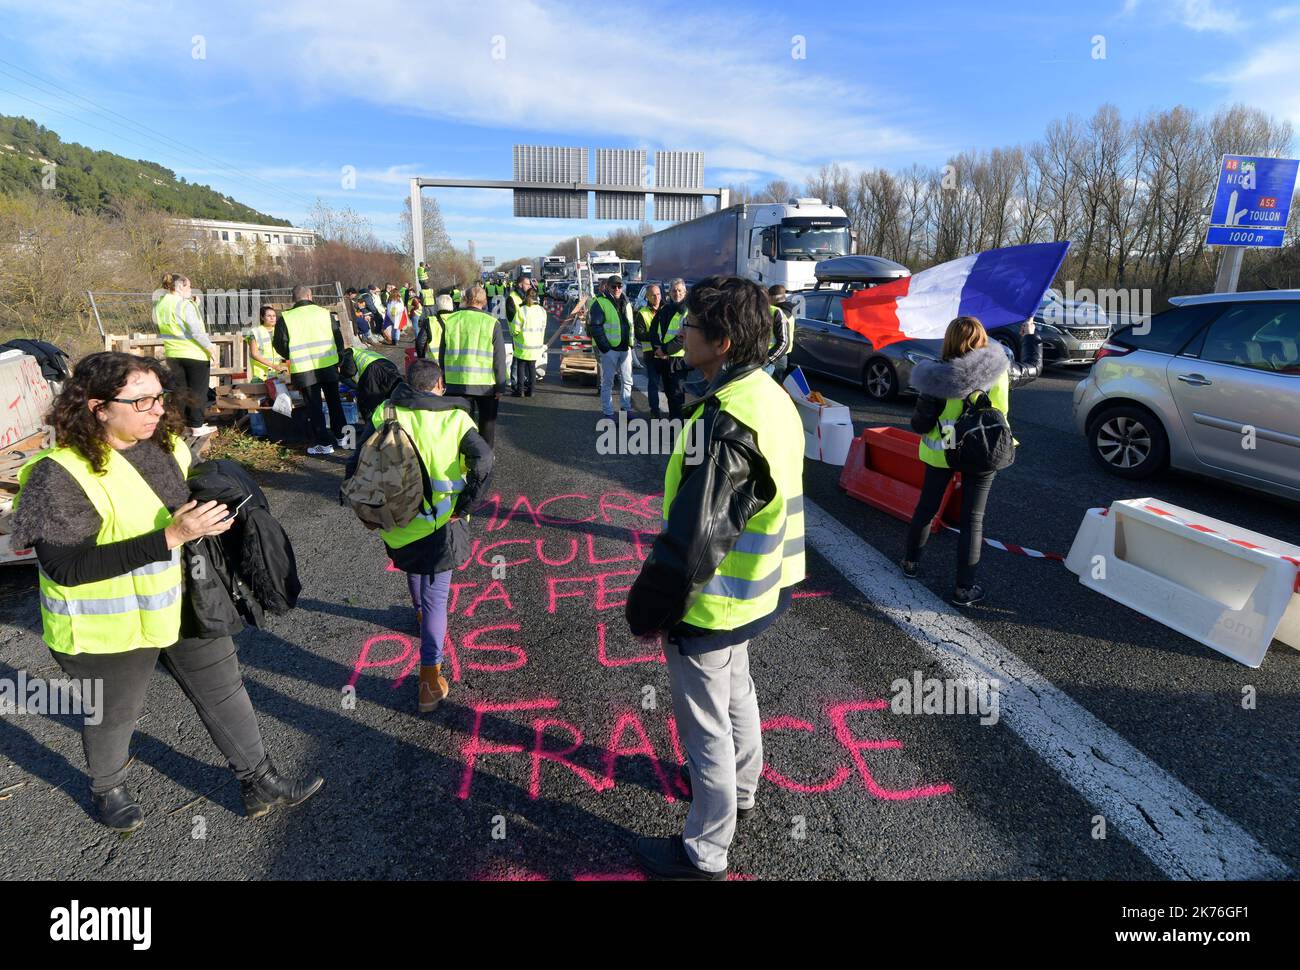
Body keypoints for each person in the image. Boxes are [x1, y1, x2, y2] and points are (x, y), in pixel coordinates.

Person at [11, 352, 324, 832]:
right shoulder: (60, 474)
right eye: (141, 401)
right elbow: (65, 567)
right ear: (97, 407)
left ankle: (259, 780)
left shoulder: (166, 446)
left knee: (225, 692)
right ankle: (107, 787)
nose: (157, 410)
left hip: (182, 601)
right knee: (115, 715)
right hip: (105, 626)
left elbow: (180, 504)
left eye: (159, 397)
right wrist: (171, 537)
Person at [624, 276, 805, 881]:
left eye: (691, 327)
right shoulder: (767, 394)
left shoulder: (725, 423)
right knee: (737, 695)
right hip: (757, 590)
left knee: (704, 727)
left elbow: (694, 542)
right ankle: (744, 788)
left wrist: (650, 608)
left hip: (712, 602)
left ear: (722, 342)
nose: (680, 333)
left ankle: (705, 851)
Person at [347, 359, 493, 711]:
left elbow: (357, 463)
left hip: (397, 522)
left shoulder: (387, 412)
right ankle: (429, 680)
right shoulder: (457, 418)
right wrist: (467, 502)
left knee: (413, 571)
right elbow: (484, 460)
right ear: (440, 385)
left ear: (409, 384)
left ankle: (417, 611)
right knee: (437, 599)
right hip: (442, 523)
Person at [903, 316, 1042, 606]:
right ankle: (965, 589)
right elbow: (1033, 368)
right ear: (982, 339)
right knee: (972, 520)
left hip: (942, 451)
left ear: (948, 340)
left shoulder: (935, 378)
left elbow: (920, 424)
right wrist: (1030, 335)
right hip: (983, 451)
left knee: (927, 509)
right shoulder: (1000, 370)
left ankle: (910, 564)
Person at [274, 284, 348, 456]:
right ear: (310, 295)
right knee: (335, 402)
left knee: (314, 406)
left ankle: (322, 443)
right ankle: (343, 437)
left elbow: (279, 344)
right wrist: (339, 358)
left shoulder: (286, 318)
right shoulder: (324, 313)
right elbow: (338, 338)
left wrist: (292, 354)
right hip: (328, 364)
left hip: (304, 367)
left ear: (294, 298)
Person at [438, 284, 508, 446]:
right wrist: (500, 386)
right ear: (483, 302)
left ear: (465, 299)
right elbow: (499, 358)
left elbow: (443, 354)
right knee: (487, 426)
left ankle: (462, 462)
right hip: (486, 386)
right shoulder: (491, 322)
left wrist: (442, 378)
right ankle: (485, 460)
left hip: (456, 383)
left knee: (461, 427)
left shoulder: (450, 321)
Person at [152, 272, 216, 437]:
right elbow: (195, 330)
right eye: (188, 286)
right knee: (198, 392)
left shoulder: (160, 304)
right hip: (194, 353)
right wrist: (209, 347)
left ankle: (181, 425)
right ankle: (196, 425)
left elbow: (175, 321)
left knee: (181, 391)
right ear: (180, 287)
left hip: (173, 352)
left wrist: (191, 303)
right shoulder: (185, 305)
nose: (191, 289)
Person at [589, 274, 634, 422]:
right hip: (610, 350)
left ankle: (626, 409)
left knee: (627, 381)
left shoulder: (626, 301)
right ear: (608, 287)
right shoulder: (600, 303)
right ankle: (608, 413)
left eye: (619, 286)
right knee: (607, 383)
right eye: (614, 286)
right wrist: (605, 348)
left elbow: (630, 324)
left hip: (625, 348)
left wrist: (631, 344)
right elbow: (595, 327)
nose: (617, 289)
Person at [651, 277, 690, 420]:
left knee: (677, 395)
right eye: (674, 290)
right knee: (668, 393)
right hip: (663, 358)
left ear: (685, 292)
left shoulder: (687, 311)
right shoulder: (665, 309)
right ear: (669, 292)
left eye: (680, 290)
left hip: (679, 360)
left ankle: (677, 428)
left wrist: (665, 350)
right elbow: (653, 330)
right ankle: (674, 421)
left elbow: (683, 337)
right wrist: (657, 348)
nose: (677, 293)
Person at [342, 342, 402, 424]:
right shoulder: (360, 352)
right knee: (393, 396)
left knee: (367, 402)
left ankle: (371, 426)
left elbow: (350, 371)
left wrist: (341, 375)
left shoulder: (347, 353)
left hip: (373, 371)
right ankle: (395, 422)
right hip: (389, 366)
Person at [508, 280, 546, 397]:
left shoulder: (522, 310)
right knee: (532, 367)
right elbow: (543, 327)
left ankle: (520, 391)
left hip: (522, 344)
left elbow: (515, 328)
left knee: (521, 366)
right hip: (536, 344)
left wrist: (514, 335)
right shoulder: (542, 311)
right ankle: (532, 391)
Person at [635, 283, 664, 418]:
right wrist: (655, 337)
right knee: (653, 383)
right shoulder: (642, 313)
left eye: (658, 294)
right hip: (650, 353)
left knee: (670, 386)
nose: (656, 297)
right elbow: (639, 335)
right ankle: (655, 411)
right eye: (653, 295)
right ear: (647, 297)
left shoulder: (667, 310)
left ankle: (675, 412)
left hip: (667, 353)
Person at [245, 305, 286, 382]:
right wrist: (274, 366)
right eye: (269, 316)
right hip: (261, 375)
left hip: (278, 373)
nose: (272, 318)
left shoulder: (279, 331)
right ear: (262, 317)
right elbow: (255, 354)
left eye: (274, 316)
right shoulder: (254, 332)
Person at [765, 285, 795, 380]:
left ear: (773, 298)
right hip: (783, 354)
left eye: (768, 297)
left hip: (774, 353)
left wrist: (769, 359)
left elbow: (782, 340)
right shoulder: (789, 310)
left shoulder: (778, 313)